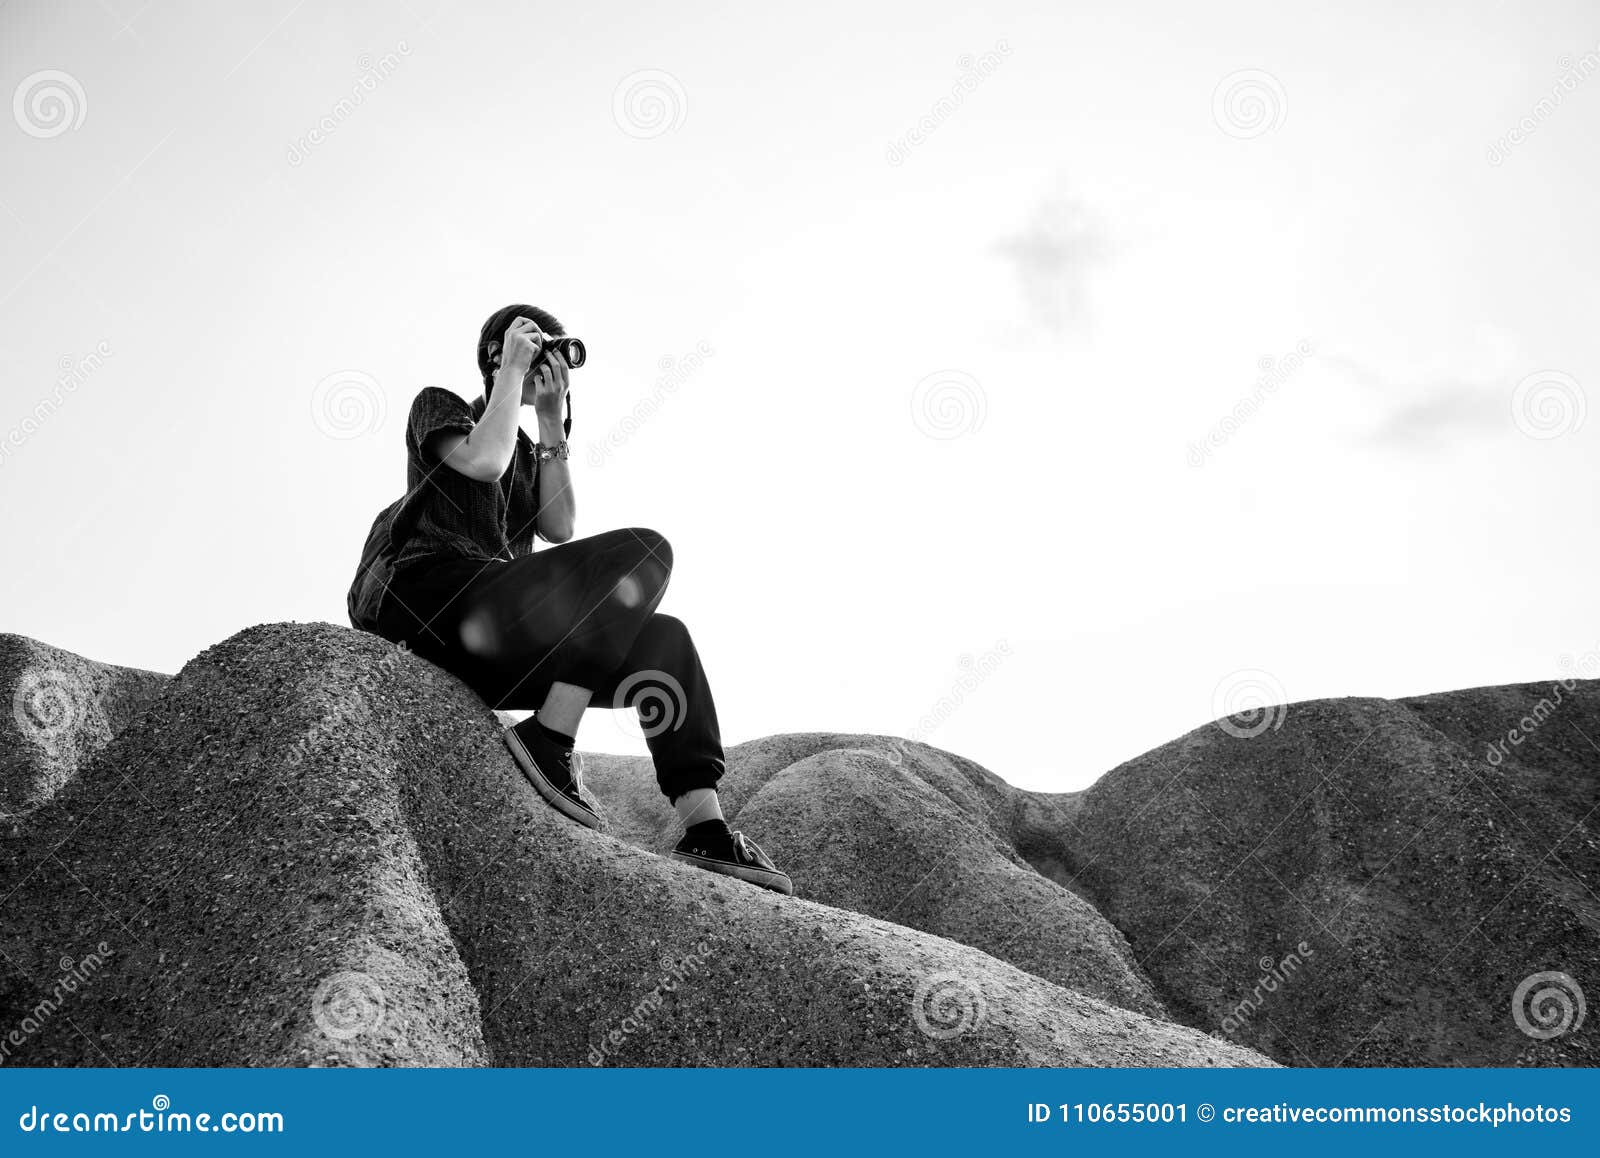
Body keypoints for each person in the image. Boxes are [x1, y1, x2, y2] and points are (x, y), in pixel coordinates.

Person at [348, 303, 791, 895]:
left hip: (491, 641)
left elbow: (559, 526)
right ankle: (549, 738)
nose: (546, 360)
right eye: (535, 345)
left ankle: (703, 826)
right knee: (644, 550)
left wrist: (553, 421)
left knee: (667, 639)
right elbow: (483, 460)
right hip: (429, 599)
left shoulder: (529, 454)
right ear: (495, 355)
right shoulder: (441, 405)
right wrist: (511, 370)